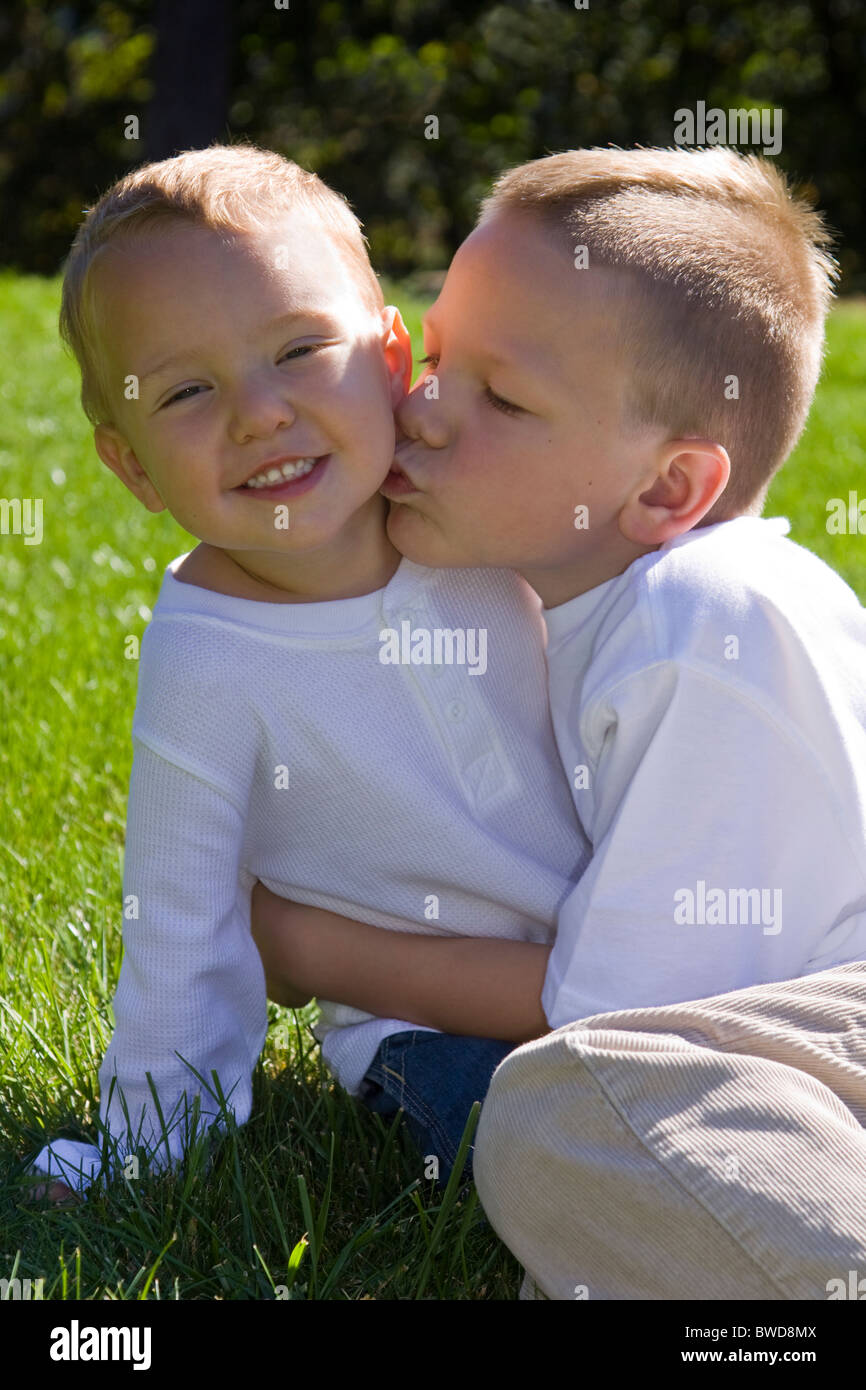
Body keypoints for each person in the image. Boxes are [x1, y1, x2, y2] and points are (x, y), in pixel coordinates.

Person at [250, 147, 866, 1299]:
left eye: (501, 396)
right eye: (434, 359)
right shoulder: (582, 601)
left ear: (665, 490)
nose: (422, 411)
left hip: (813, 1040)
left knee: (561, 1114)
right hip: (762, 1066)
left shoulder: (705, 618)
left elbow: (615, 1033)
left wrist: (305, 947)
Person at [28, 143, 590, 1202]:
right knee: (568, 1138)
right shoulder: (207, 654)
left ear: (389, 355)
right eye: (188, 388)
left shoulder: (484, 509)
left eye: (296, 350)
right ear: (133, 465)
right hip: (426, 1024)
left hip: (646, 928)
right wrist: (150, 1144)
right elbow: (179, 913)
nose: (258, 413)